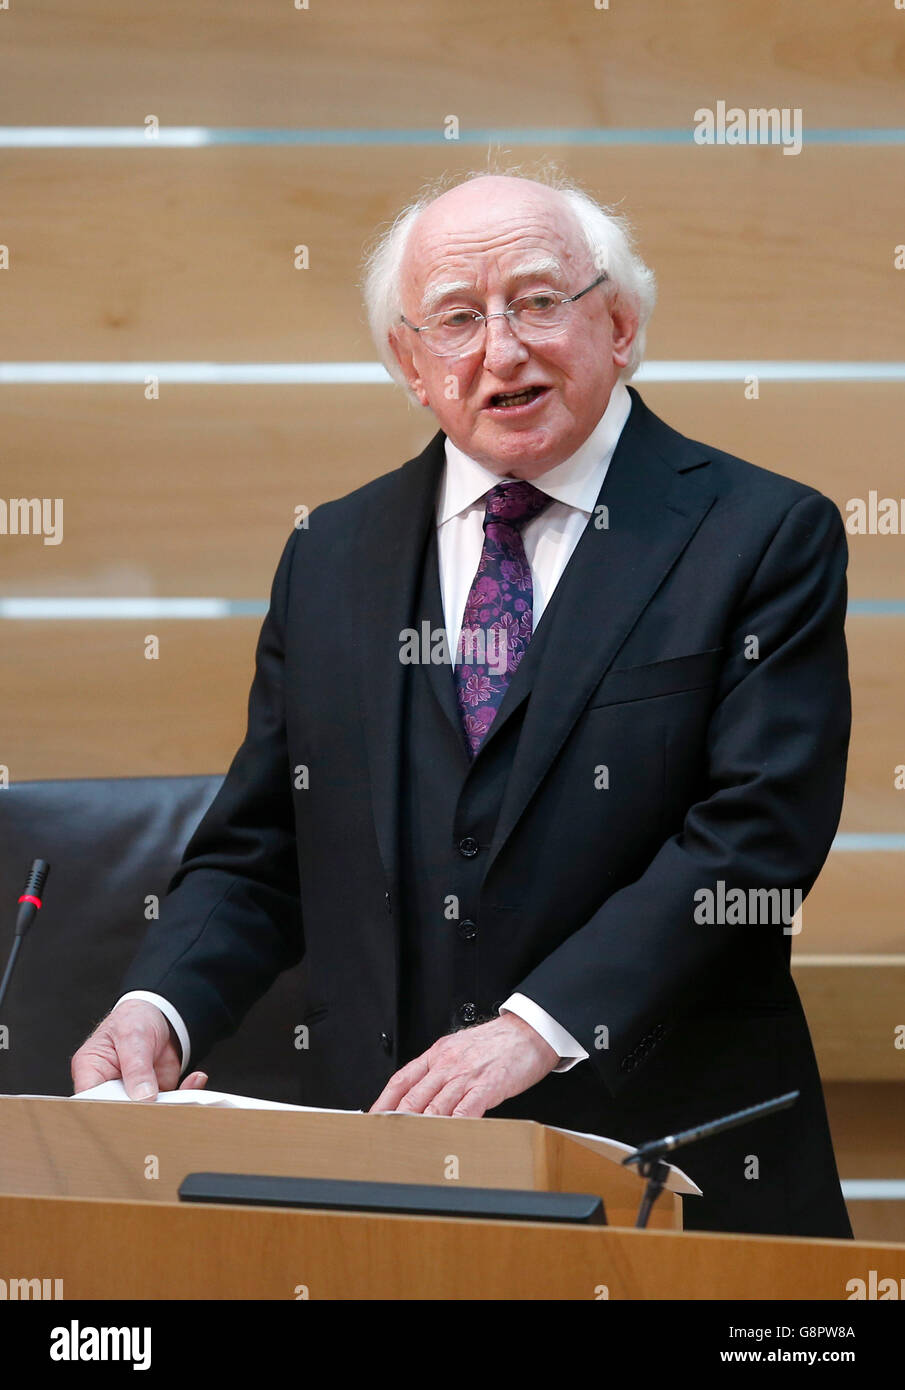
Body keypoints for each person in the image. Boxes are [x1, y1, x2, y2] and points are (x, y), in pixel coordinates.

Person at [72, 169, 852, 1237]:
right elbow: (261, 849)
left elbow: (752, 841)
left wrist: (536, 1026)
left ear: (617, 324)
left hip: (677, 1178)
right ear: (409, 362)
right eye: (455, 318)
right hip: (384, 1180)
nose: (500, 348)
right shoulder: (330, 554)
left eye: (537, 301)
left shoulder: (761, 534)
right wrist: (156, 1004)